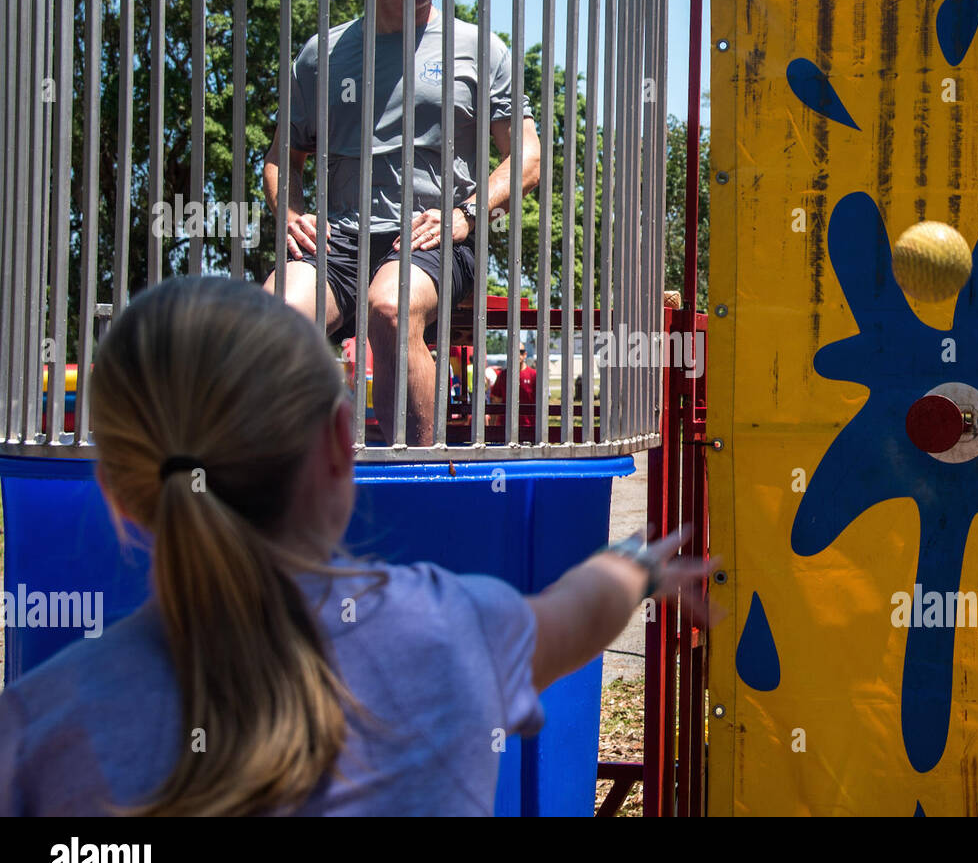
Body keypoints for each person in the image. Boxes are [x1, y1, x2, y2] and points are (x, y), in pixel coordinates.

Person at [0, 276, 706, 816]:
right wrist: (641, 565)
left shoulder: (32, 736)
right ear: (342, 443)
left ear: (117, 490)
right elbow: (578, 612)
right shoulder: (454, 632)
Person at [263, 0, 541, 447]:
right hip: (341, 236)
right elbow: (281, 159)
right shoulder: (323, 55)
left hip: (432, 233)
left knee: (389, 308)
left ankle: (423, 481)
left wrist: (465, 214)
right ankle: (298, 487)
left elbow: (527, 158)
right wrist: (291, 211)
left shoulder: (480, 49)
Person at [490, 343, 537, 435]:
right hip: (505, 427)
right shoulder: (503, 375)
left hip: (529, 427)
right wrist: (492, 429)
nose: (518, 354)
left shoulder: (534, 375)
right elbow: (496, 402)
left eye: (521, 352)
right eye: (514, 352)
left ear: (525, 355)